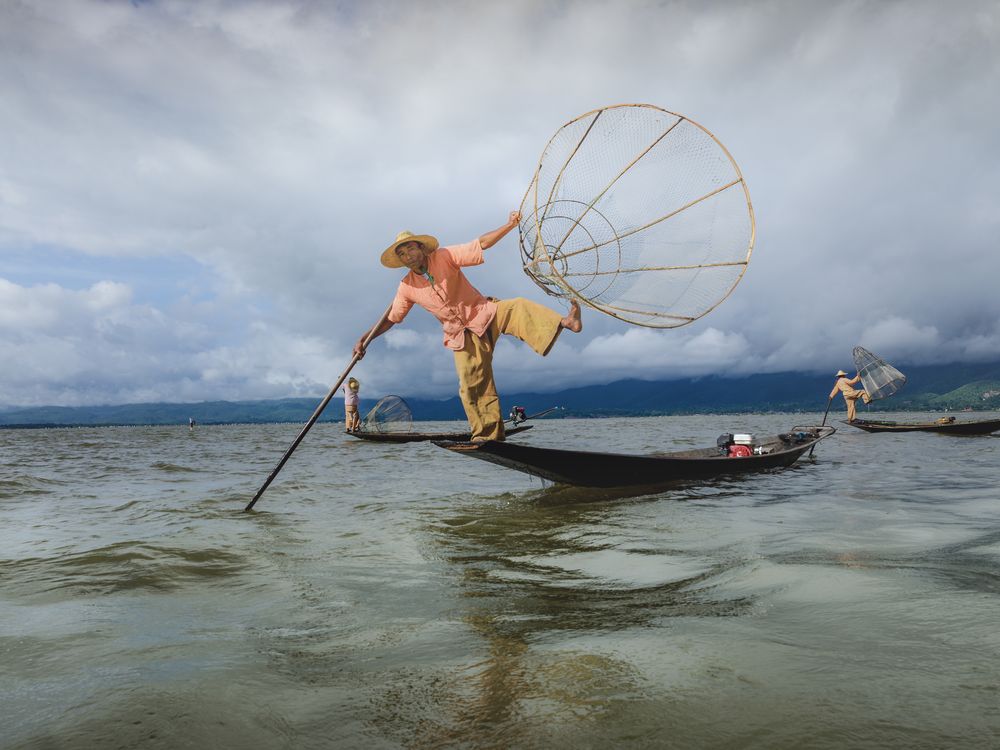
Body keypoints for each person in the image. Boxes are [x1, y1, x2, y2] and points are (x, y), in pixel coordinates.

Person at [354, 210, 582, 442]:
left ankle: (565, 321)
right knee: (471, 386)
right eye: (402, 254)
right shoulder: (406, 287)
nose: (408, 255)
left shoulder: (444, 256)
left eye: (411, 248)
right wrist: (366, 338)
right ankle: (487, 436)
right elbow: (393, 317)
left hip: (484, 313)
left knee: (517, 307)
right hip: (460, 336)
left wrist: (510, 225)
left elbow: (480, 244)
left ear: (422, 248)